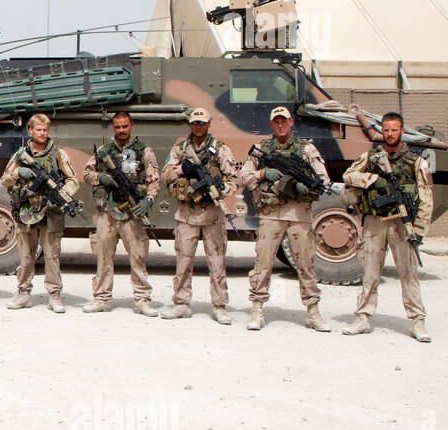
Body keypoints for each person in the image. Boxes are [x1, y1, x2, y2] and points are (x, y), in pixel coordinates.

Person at [340, 111, 433, 342]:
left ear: (402, 131)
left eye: (394, 130)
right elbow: (348, 176)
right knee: (370, 273)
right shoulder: (371, 157)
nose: (390, 134)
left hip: (402, 224)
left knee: (409, 274)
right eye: (387, 130)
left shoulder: (416, 161)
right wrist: (373, 180)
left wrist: (419, 230)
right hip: (375, 222)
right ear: (382, 132)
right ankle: (363, 317)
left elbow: (426, 197)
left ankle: (417, 320)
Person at [238, 106, 331, 331]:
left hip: (298, 214)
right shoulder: (262, 149)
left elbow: (323, 180)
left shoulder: (306, 149)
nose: (280, 125)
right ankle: (257, 309)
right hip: (270, 214)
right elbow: (243, 176)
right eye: (276, 122)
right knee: (263, 263)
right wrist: (263, 173)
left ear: (291, 123)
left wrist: (303, 187)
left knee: (305, 263)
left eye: (284, 121)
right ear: (271, 125)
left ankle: (313, 311)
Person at [158, 108, 237, 325]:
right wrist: (183, 169)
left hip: (212, 214)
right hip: (186, 214)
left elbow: (233, 179)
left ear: (209, 124)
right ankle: (181, 303)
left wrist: (221, 192)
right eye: (195, 123)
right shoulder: (180, 148)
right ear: (190, 124)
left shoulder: (221, 149)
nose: (198, 127)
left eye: (202, 123)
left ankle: (220, 305)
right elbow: (165, 175)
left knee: (217, 262)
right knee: (183, 261)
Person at [81, 111, 161, 316]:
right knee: (103, 257)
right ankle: (102, 298)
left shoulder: (144, 151)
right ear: (113, 127)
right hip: (107, 213)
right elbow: (87, 174)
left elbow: (154, 180)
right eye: (117, 127)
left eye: (125, 126)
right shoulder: (103, 151)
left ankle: (142, 299)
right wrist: (101, 177)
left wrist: (148, 201)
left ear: (131, 125)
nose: (121, 130)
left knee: (138, 257)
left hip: (132, 215)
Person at [0, 112, 78, 312]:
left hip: (50, 211)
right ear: (31, 130)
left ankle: (54, 295)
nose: (42, 133)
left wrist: (61, 193)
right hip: (26, 212)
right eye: (38, 130)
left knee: (52, 255)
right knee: (26, 256)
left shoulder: (57, 154)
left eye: (45, 130)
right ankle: (23, 293)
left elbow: (73, 180)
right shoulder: (21, 154)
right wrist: (18, 172)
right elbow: (4, 180)